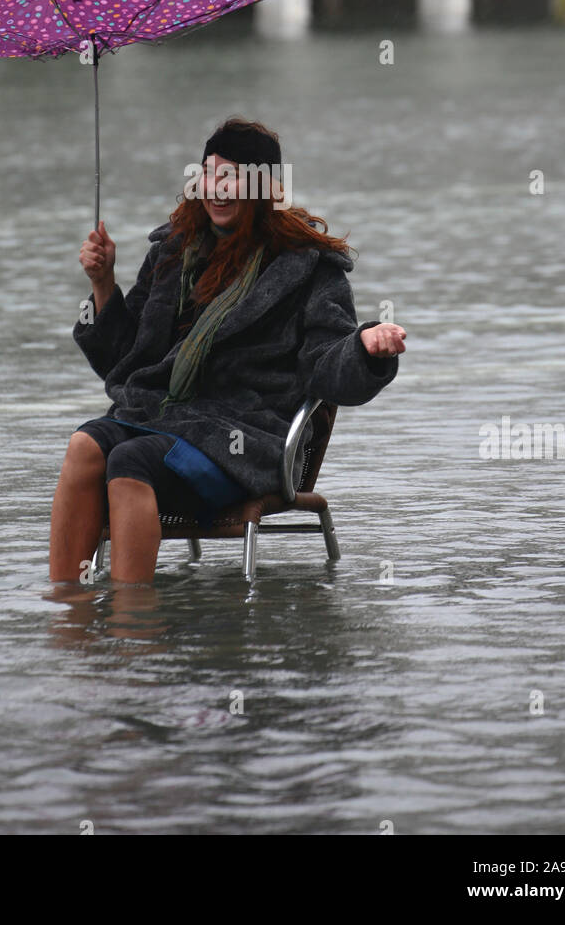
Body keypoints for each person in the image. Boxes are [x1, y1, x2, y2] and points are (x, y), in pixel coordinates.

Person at [49, 116, 406, 587]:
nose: (217, 188)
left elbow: (326, 367)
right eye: (209, 174)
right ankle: (67, 614)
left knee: (129, 460)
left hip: (243, 442)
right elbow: (124, 363)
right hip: (158, 418)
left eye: (232, 176)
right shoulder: (173, 252)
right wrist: (102, 284)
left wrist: (366, 348)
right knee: (85, 444)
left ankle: (131, 628)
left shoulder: (308, 268)